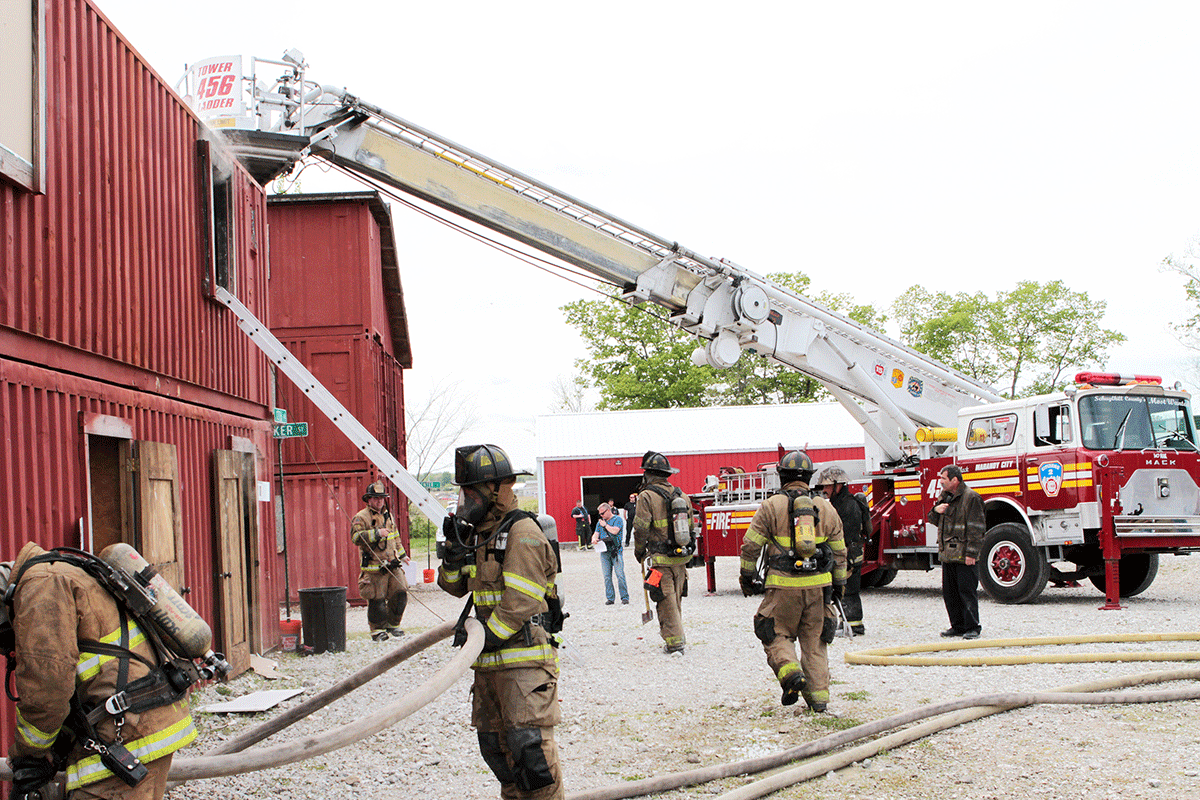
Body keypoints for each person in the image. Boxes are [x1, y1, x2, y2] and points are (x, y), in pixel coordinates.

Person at [1, 543, 198, 799]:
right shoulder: (63, 571)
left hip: (126, 733)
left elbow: (47, 690)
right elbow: (89, 677)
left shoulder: (41, 587)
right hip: (141, 719)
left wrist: (29, 757)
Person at [438, 444, 563, 800]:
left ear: (495, 489)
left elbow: (521, 600)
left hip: (523, 664)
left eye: (469, 491)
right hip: (489, 666)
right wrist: (452, 552)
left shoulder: (522, 533)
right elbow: (453, 586)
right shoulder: (479, 534)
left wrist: (486, 637)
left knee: (531, 757)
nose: (465, 500)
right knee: (497, 753)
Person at [739, 450, 847, 712]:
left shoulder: (771, 506)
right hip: (819, 588)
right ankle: (819, 699)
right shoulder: (826, 507)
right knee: (815, 642)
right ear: (810, 477)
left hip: (782, 587)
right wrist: (839, 586)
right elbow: (841, 552)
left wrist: (747, 575)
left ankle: (790, 675)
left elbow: (750, 546)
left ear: (781, 475)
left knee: (774, 632)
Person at [631, 451, 696, 655]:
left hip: (660, 559)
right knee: (675, 598)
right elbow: (693, 527)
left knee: (665, 600)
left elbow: (641, 527)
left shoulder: (646, 496)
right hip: (681, 558)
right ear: (667, 474)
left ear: (648, 474)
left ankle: (675, 643)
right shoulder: (682, 495)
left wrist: (639, 550)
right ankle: (676, 636)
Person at [928, 464, 986, 639]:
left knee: (966, 591)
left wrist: (971, 554)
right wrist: (935, 510)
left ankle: (973, 627)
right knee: (950, 593)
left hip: (964, 556)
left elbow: (977, 529)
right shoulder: (944, 497)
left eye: (943, 479)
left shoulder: (971, 498)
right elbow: (933, 520)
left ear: (955, 480)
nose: (941, 482)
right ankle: (957, 626)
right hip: (948, 555)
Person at [351, 480, 410, 642]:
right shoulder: (361, 517)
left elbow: (395, 537)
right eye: (375, 498)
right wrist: (376, 534)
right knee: (377, 599)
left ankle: (393, 625)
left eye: (381, 498)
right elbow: (355, 538)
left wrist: (403, 555)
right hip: (373, 568)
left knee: (400, 593)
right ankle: (377, 631)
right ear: (368, 499)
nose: (379, 501)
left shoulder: (388, 515)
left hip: (393, 565)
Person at [814, 465, 870, 636]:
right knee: (842, 589)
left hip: (850, 555)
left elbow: (847, 535)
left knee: (849, 590)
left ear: (838, 485)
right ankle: (847, 622)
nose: (824, 490)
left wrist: (845, 559)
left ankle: (854, 626)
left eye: (827, 486)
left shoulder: (849, 506)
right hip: (846, 554)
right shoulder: (839, 503)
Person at [590, 502, 629, 605]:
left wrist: (606, 525)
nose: (601, 516)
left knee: (620, 575)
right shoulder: (600, 523)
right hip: (604, 552)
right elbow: (596, 533)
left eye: (602, 513)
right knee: (607, 576)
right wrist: (594, 539)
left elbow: (615, 531)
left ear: (608, 510)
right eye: (600, 514)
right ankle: (610, 598)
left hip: (616, 552)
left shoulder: (618, 520)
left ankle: (624, 597)